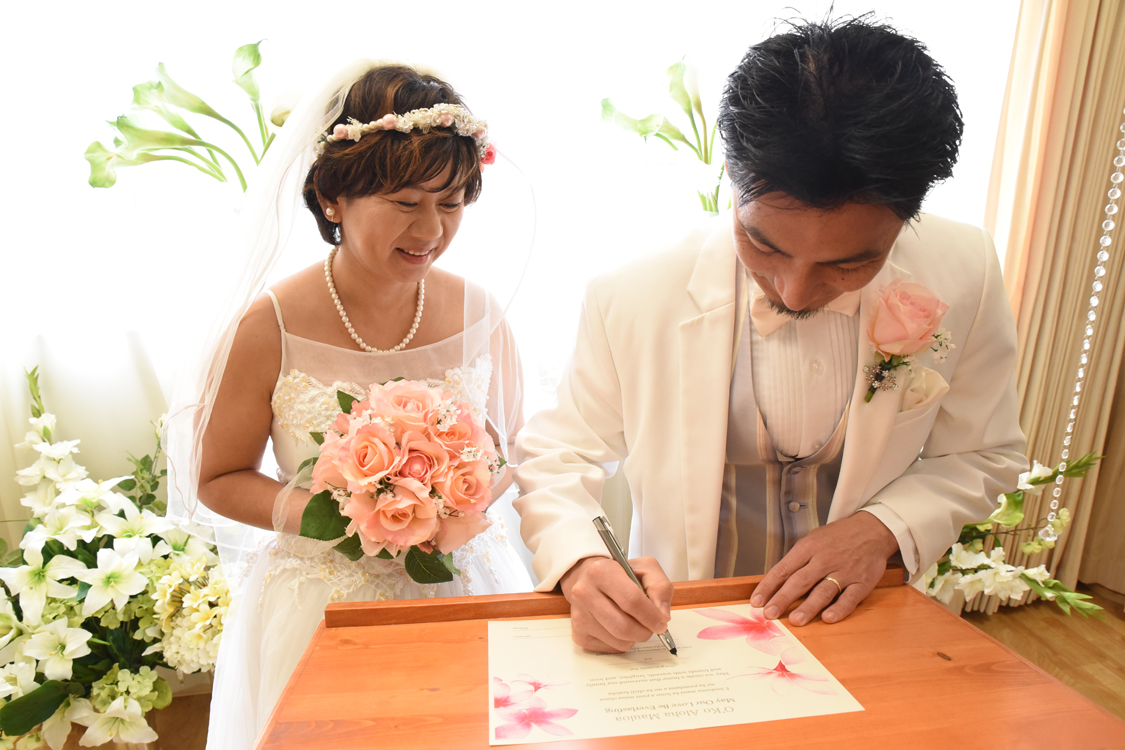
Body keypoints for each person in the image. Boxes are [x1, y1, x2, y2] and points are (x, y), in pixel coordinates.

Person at [513, 16, 1027, 654]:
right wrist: (583, 563)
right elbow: (558, 454)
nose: (793, 292)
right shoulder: (632, 292)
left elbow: (985, 453)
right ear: (734, 176)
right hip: (684, 628)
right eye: (762, 243)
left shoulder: (964, 267)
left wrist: (882, 528)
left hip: (860, 621)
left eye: (848, 264)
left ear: (910, 214)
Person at [164, 62, 534, 749]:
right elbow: (215, 476)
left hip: (461, 585)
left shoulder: (478, 311)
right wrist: (342, 512)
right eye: (405, 202)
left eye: (451, 203)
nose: (431, 229)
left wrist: (454, 495)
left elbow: (509, 450)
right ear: (331, 198)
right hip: (321, 598)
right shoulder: (266, 326)